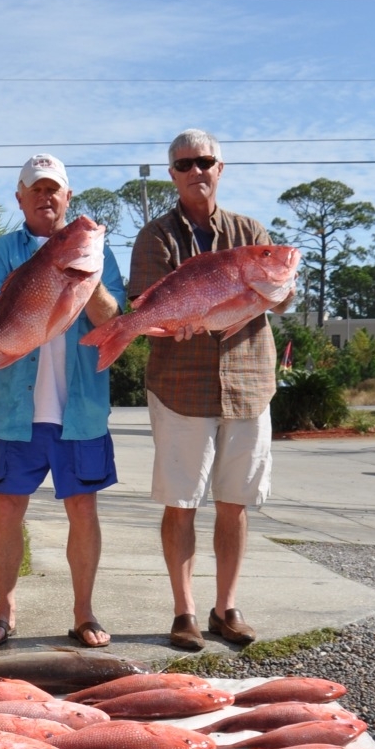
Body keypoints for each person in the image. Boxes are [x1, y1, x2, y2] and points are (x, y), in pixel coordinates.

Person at [128, 128, 276, 652]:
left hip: (249, 384)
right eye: (185, 164)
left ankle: (226, 607)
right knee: (181, 502)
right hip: (180, 387)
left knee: (234, 502)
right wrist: (176, 322)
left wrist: (280, 288)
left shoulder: (250, 233)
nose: (196, 172)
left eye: (205, 161)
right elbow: (145, 309)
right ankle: (184, 611)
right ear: (172, 174)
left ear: (221, 167)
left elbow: (277, 294)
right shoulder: (156, 237)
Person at [0, 154, 125, 648]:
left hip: (79, 409)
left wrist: (85, 270)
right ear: (19, 198)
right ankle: (3, 609)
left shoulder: (100, 253)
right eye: (35, 189)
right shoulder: (0, 252)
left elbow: (111, 321)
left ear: (68, 197)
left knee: (82, 508)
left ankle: (85, 612)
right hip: (17, 408)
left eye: (53, 189)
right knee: (9, 506)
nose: (45, 197)